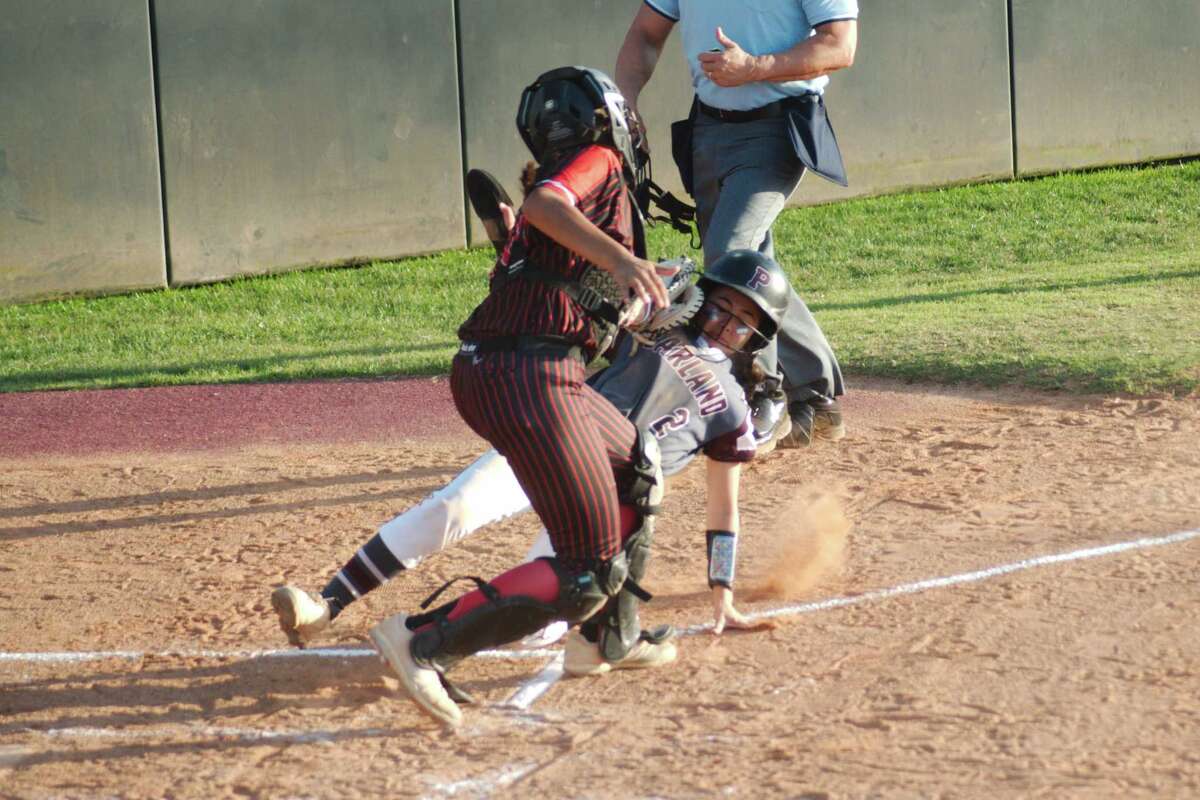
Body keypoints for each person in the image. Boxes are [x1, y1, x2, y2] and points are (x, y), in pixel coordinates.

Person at [348, 65, 677, 728]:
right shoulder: (598, 162)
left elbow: (558, 279)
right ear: (607, 122)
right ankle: (423, 643)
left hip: (511, 369)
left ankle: (605, 640)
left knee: (638, 466)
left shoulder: (556, 229)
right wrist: (622, 262)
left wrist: (632, 290)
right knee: (587, 572)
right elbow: (545, 204)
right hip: (530, 376)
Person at [272, 249, 791, 662]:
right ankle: (326, 604)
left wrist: (721, 589)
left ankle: (422, 636)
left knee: (542, 619)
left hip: (609, 497)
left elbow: (724, 508)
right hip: (556, 433)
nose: (727, 322)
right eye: (723, 304)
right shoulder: (653, 328)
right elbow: (581, 316)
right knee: (452, 508)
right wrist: (635, 304)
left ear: (758, 336)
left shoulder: (734, 410)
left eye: (745, 319)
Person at [614, 0, 859, 450]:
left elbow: (840, 45)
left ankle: (763, 392)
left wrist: (754, 67)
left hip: (779, 127)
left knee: (731, 255)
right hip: (709, 130)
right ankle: (818, 401)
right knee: (748, 267)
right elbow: (645, 37)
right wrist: (625, 105)